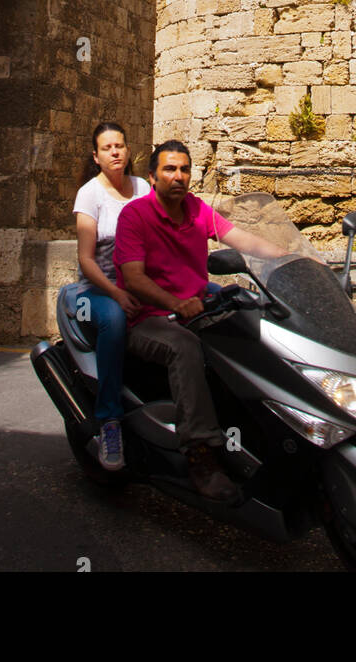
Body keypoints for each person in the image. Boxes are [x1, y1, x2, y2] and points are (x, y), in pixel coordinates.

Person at [113, 139, 281, 503]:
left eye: (185, 169)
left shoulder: (197, 210)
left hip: (197, 309)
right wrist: (176, 302)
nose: (179, 177)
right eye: (170, 169)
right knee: (184, 348)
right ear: (152, 177)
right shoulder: (135, 216)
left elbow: (242, 240)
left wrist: (291, 261)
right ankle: (201, 454)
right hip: (149, 318)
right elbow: (134, 278)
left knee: (252, 329)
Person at [70, 122, 151, 470]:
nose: (115, 152)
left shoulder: (144, 188)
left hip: (136, 284)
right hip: (94, 290)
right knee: (115, 320)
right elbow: (86, 260)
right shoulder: (90, 194)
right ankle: (110, 422)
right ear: (97, 156)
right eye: (107, 148)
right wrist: (116, 293)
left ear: (128, 151)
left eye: (120, 145)